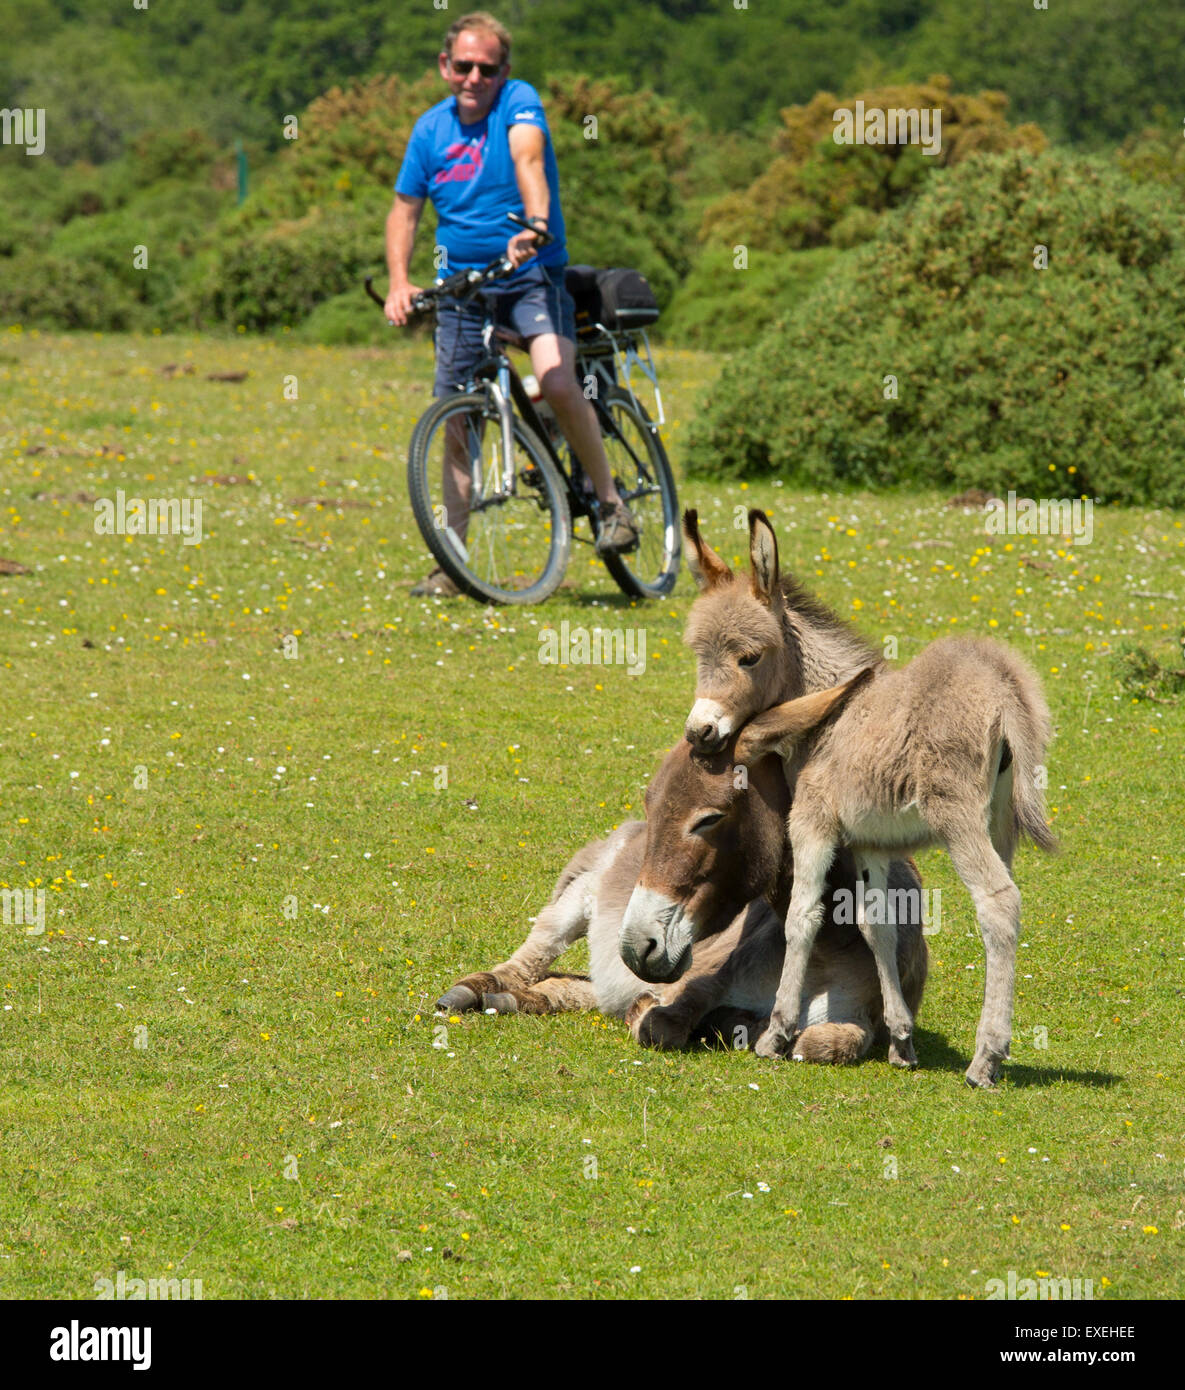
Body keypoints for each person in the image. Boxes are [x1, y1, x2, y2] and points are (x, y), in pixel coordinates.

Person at [385, 10, 638, 597]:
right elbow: (405, 210)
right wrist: (400, 281)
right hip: (462, 289)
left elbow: (529, 157)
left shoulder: (517, 103)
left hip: (529, 276)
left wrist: (536, 224)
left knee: (554, 376)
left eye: (487, 68)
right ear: (444, 66)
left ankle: (610, 505)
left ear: (504, 71)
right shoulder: (429, 132)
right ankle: (454, 561)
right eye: (464, 66)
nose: (475, 77)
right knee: (456, 422)